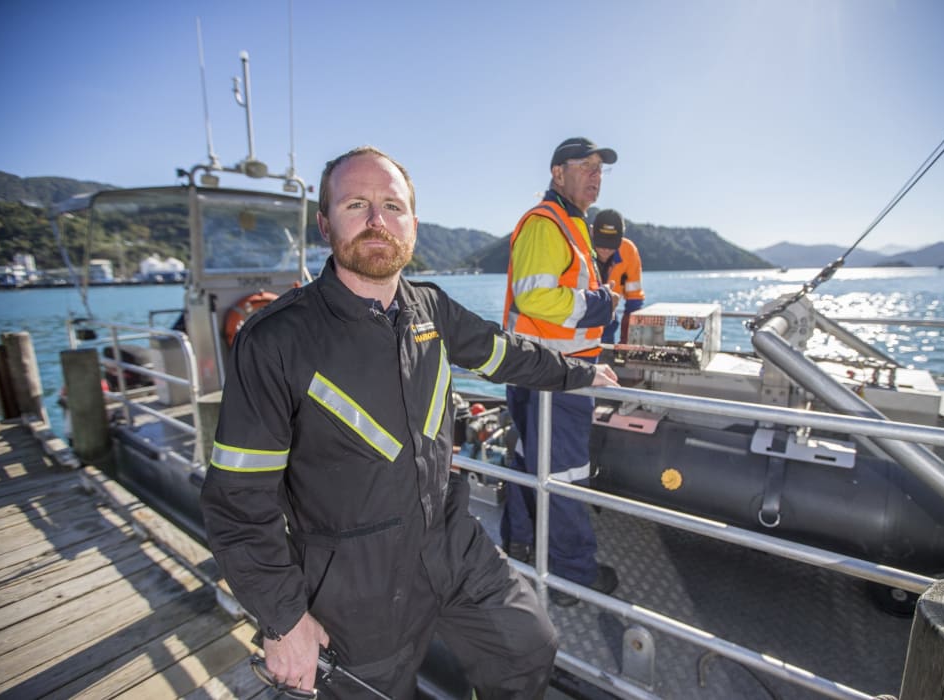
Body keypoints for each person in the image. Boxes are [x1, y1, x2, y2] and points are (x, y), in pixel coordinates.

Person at [199, 146, 620, 699]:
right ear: (325, 224)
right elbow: (238, 505)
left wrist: (580, 374)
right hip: (353, 576)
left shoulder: (432, 310)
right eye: (357, 204)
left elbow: (507, 353)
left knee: (526, 645)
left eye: (392, 206)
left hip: (448, 540)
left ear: (413, 226)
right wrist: (283, 621)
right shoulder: (276, 339)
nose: (378, 220)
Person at [501, 137, 621, 607]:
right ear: (557, 173)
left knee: (531, 462)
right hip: (554, 376)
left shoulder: (572, 225)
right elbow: (536, 298)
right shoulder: (546, 223)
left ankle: (521, 547)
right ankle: (572, 578)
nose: (595, 176)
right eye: (585, 166)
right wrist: (602, 304)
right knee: (564, 474)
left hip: (547, 369)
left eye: (600, 169)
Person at [591, 209, 645, 344]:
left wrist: (627, 342)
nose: (605, 248)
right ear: (592, 233)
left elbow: (634, 300)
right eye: (601, 242)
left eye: (611, 243)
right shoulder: (577, 247)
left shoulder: (629, 251)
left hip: (608, 322)